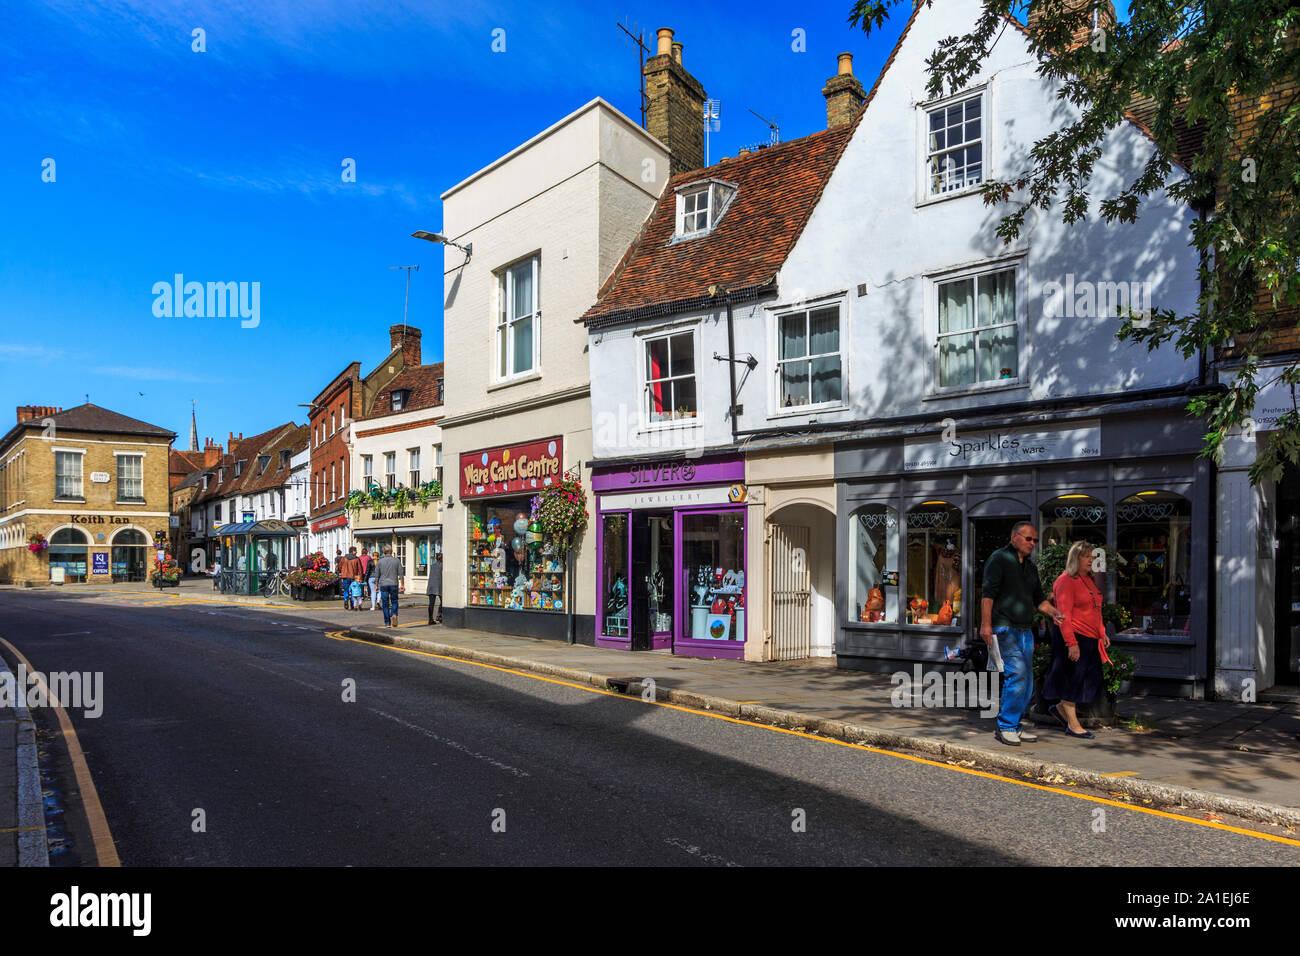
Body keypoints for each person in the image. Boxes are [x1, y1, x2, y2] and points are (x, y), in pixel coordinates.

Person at [980, 521, 1066, 747]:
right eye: (1029, 539)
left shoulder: (1030, 567)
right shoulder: (999, 559)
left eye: (1035, 540)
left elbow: (1038, 600)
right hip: (1004, 627)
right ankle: (1006, 726)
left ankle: (1015, 725)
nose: (1033, 543)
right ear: (1014, 537)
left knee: (1027, 681)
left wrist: (1054, 612)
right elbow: (987, 595)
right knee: (1016, 675)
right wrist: (986, 625)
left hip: (1025, 630)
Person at [1044, 541, 1111, 739]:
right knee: (1073, 679)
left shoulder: (1087, 580)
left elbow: (1095, 610)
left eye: (1093, 556)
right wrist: (1071, 643)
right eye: (1086, 556)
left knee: (1090, 679)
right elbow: (1063, 615)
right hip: (1073, 635)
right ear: (1076, 558)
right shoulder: (1065, 581)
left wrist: (1102, 632)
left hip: (1089, 637)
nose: (1091, 560)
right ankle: (1073, 724)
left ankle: (1060, 708)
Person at [375, 545, 404, 627]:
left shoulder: (380, 561)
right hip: (394, 584)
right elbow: (401, 574)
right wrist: (402, 585)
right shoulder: (396, 561)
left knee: (385, 604)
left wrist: (376, 586)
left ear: (384, 552)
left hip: (383, 584)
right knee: (394, 601)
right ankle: (394, 614)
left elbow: (376, 575)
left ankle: (387, 623)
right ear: (391, 552)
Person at [426, 551, 443, 625]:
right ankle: (439, 616)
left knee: (431, 604)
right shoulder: (443, 566)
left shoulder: (432, 565)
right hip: (439, 586)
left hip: (431, 586)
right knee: (443, 601)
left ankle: (430, 619)